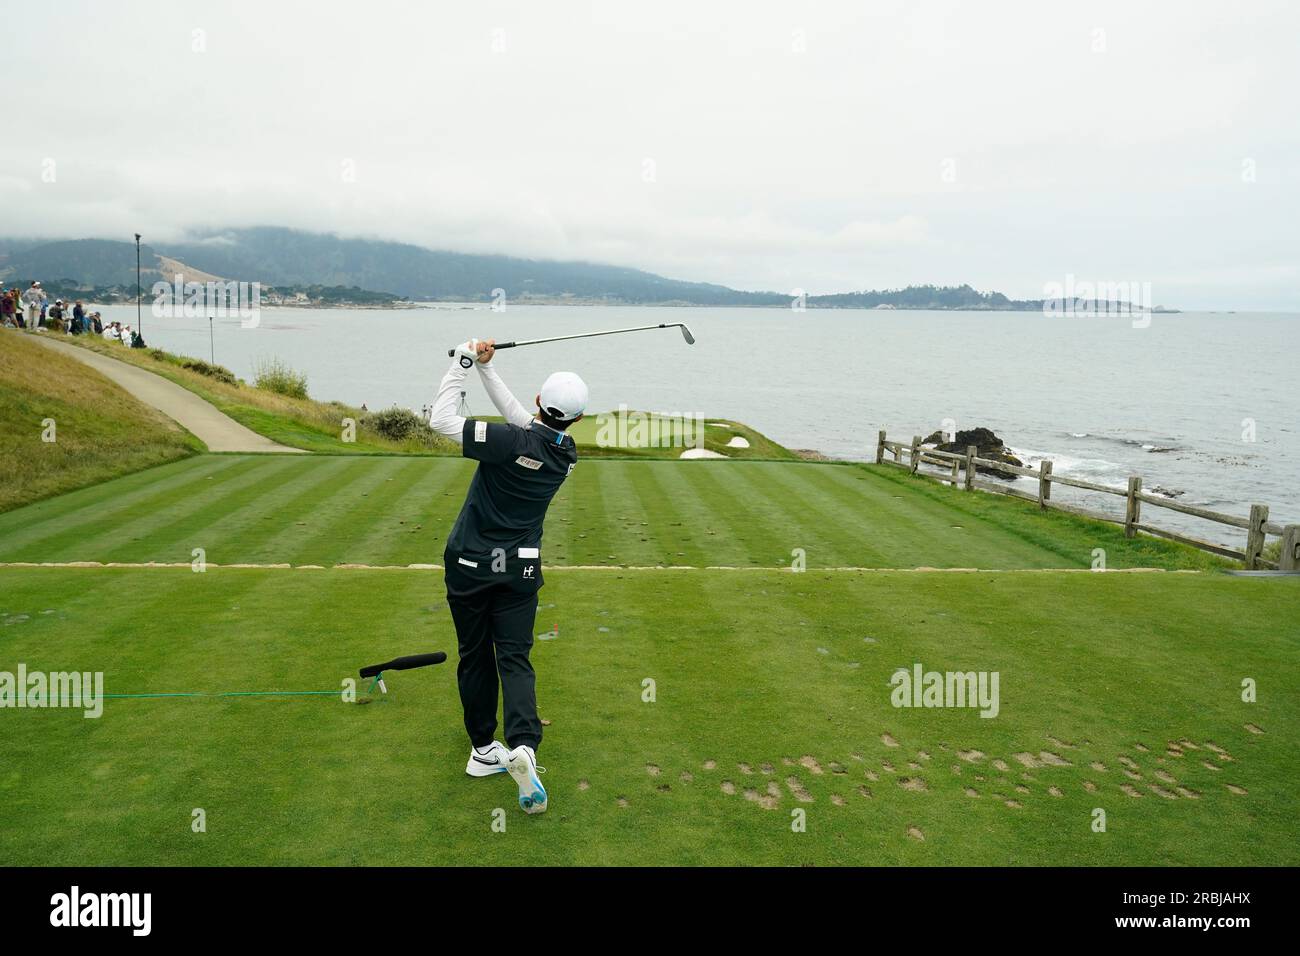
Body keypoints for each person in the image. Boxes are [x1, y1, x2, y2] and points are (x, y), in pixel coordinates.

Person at [427, 337, 587, 816]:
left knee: (476, 656)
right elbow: (529, 425)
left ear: (541, 401)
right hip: (520, 571)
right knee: (515, 657)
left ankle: (483, 750)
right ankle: (524, 746)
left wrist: (460, 361)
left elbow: (440, 420)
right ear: (575, 419)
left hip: (469, 566)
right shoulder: (566, 455)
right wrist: (486, 369)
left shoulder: (505, 442)